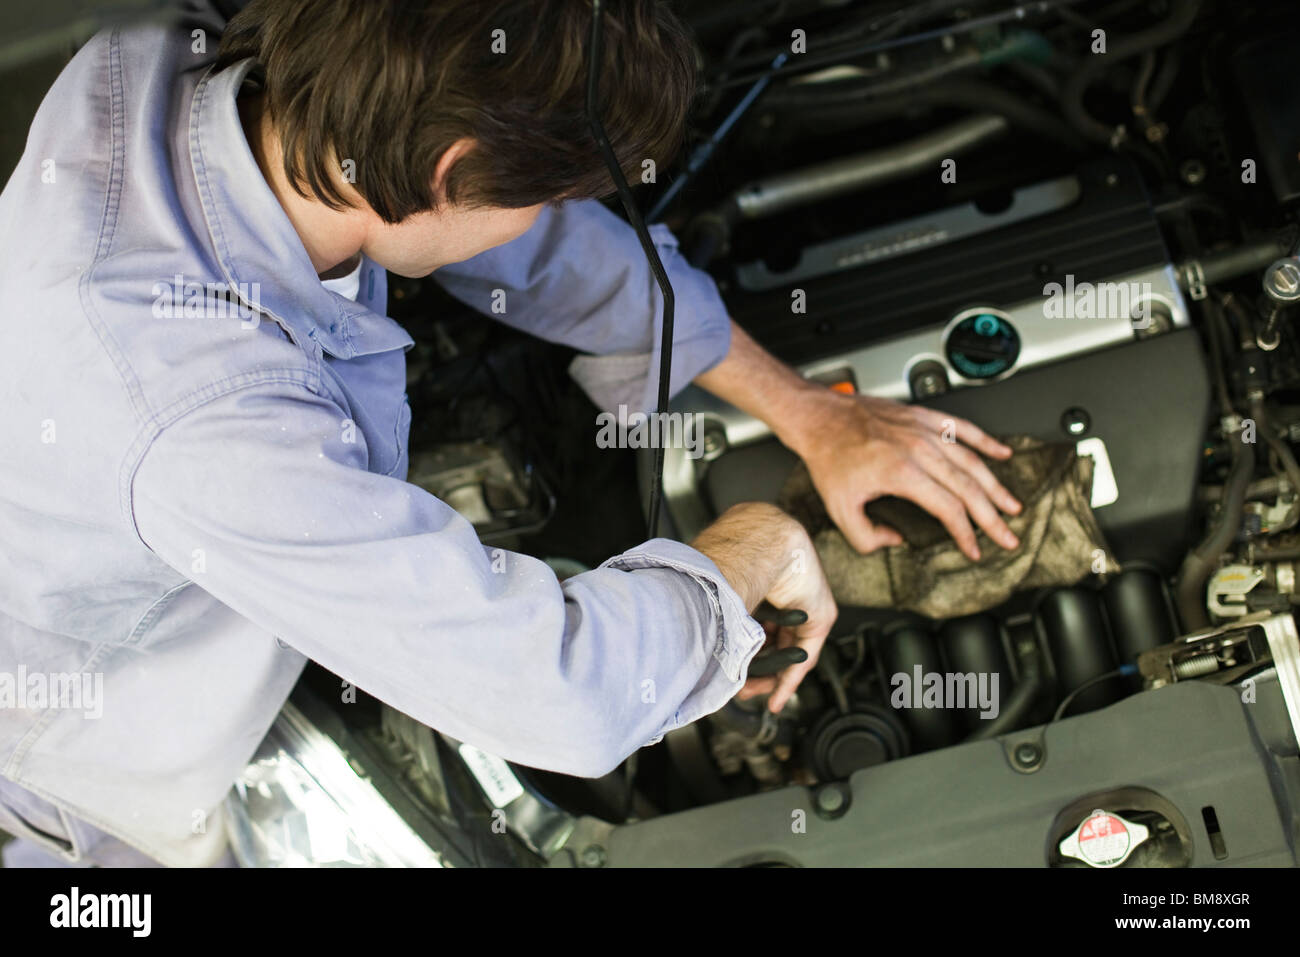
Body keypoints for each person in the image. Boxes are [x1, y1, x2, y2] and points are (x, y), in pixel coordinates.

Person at [0, 0, 1020, 866]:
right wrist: (745, 556)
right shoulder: (195, 410)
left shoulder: (234, 76)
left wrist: (804, 411)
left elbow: (528, 238)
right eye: (539, 195)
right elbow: (555, 691)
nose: (542, 220)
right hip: (60, 779)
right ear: (451, 172)